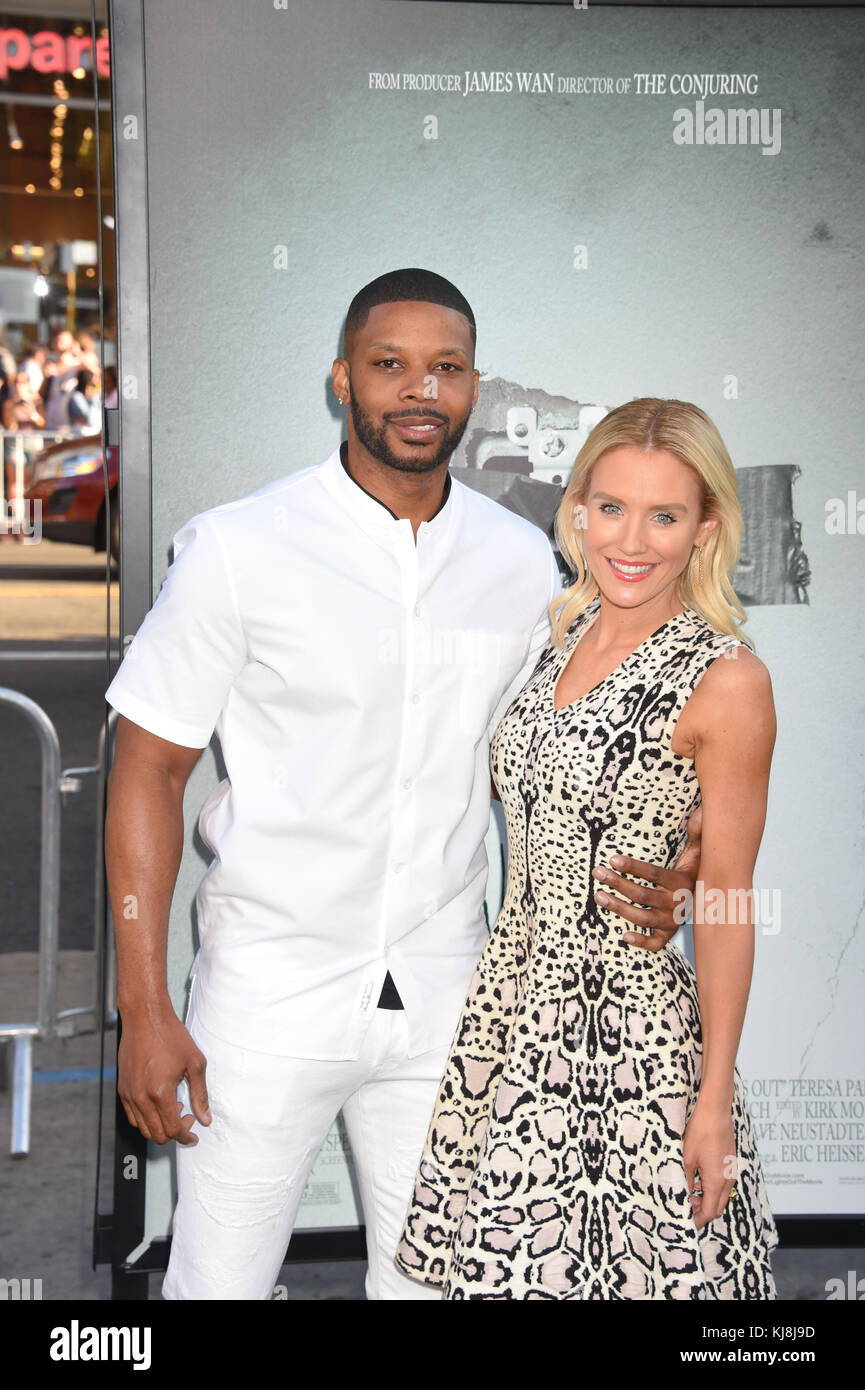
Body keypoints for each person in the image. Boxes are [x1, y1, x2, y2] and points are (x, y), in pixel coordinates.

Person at [104, 273, 702, 1301]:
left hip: (445, 993)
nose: (418, 388)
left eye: (446, 367)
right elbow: (149, 771)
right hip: (267, 989)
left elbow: (568, 749)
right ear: (341, 380)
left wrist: (678, 842)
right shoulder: (239, 549)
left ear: (473, 386)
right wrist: (144, 1007)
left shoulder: (524, 563)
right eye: (389, 364)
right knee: (218, 1284)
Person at [396, 398, 778, 1299]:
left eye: (664, 514)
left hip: (633, 1038)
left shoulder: (727, 678)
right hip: (510, 1012)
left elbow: (726, 901)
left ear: (705, 527)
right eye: (610, 507)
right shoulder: (551, 635)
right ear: (575, 511)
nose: (630, 539)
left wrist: (711, 1101)